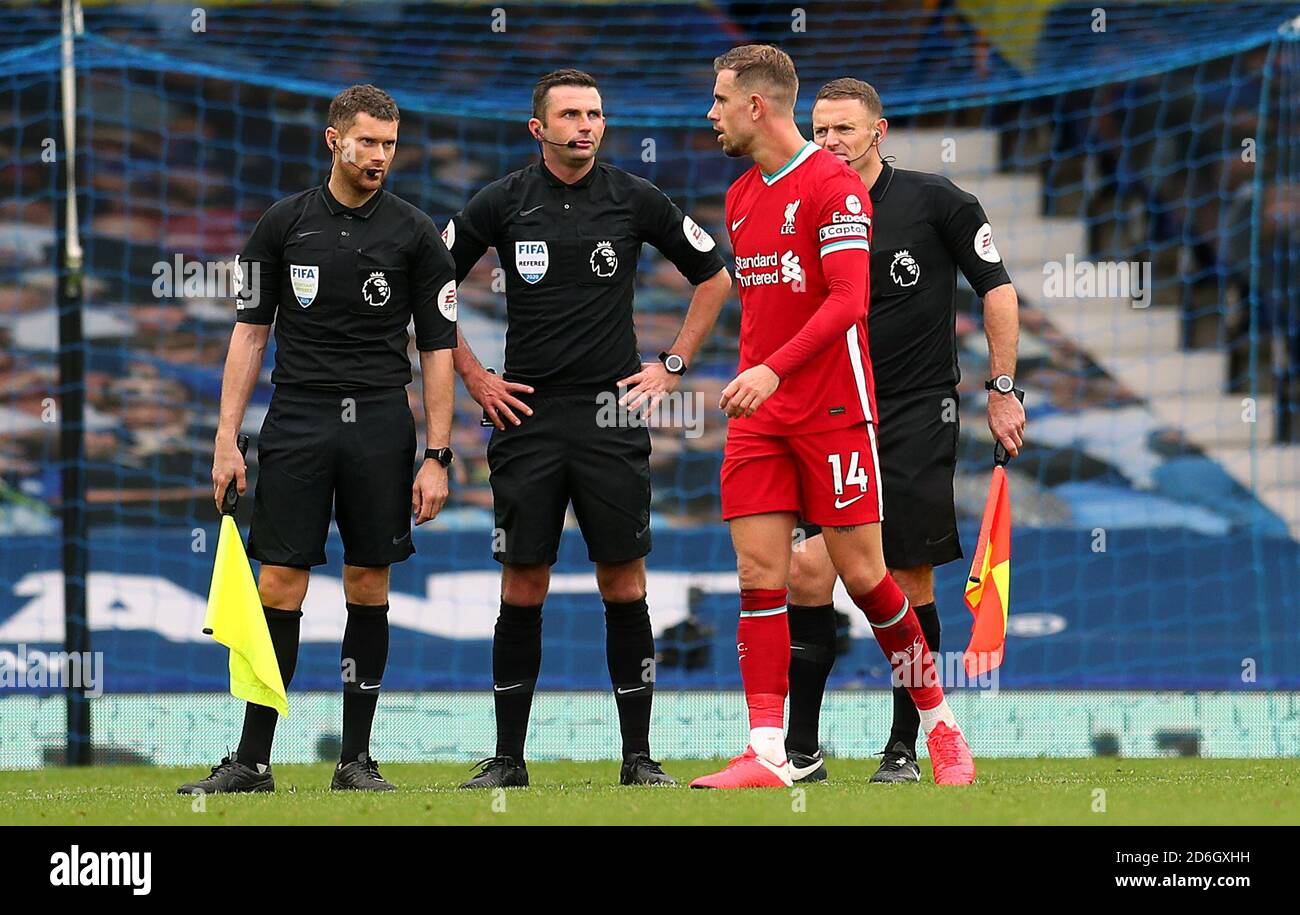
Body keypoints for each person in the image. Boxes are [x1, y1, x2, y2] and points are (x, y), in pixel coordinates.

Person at [690, 45, 975, 790]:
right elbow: (764, 306)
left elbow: (846, 301)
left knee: (869, 577)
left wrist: (771, 368)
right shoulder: (740, 194)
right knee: (761, 573)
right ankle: (769, 751)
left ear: (756, 105)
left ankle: (941, 727)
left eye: (720, 101)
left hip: (834, 409)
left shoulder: (834, 186)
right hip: (760, 415)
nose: (711, 114)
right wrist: (758, 375)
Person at [444, 69, 732, 788]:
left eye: (596, 113)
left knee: (622, 581)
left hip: (611, 416)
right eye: (570, 114)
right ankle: (509, 759)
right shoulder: (501, 202)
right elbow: (429, 286)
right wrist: (475, 377)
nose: (586, 125)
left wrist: (673, 363)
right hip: (526, 417)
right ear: (536, 128)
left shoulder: (635, 198)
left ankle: (638, 757)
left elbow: (716, 275)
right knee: (524, 584)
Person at [178, 84, 458, 794]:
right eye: (368, 142)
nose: (380, 156)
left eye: (390, 145)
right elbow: (249, 334)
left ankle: (355, 760)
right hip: (297, 417)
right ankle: (252, 760)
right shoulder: (283, 223)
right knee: (279, 584)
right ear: (334, 139)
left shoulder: (415, 232)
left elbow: (437, 349)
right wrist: (225, 439)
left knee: (368, 582)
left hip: (380, 422)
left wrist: (437, 454)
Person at [784, 78, 1024, 783]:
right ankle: (800, 749)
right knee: (808, 570)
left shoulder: (936, 201)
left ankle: (902, 747)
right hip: (827, 412)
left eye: (843, 129)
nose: (829, 142)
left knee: (906, 573)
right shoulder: (800, 205)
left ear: (878, 131)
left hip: (917, 410)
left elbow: (998, 290)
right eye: (820, 129)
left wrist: (1003, 389)